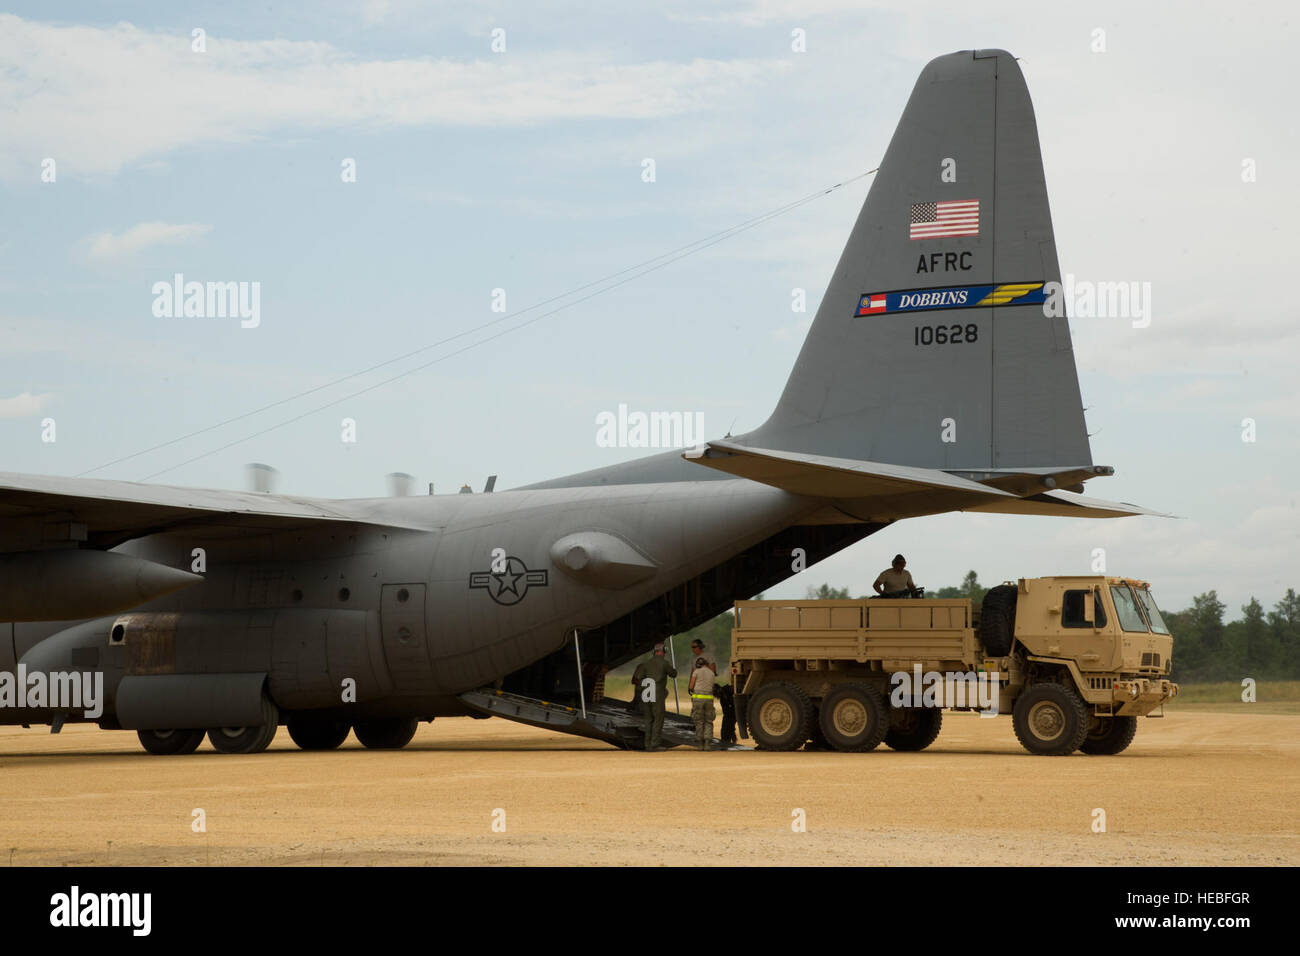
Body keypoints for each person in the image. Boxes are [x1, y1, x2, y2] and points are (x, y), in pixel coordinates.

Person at [632, 643, 676, 750]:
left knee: (648, 719)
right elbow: (674, 674)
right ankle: (654, 743)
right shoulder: (664, 663)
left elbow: (637, 678)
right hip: (657, 694)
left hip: (646, 694)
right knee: (658, 718)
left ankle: (647, 744)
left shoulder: (646, 664)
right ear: (663, 651)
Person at [688, 657, 717, 751]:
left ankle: (700, 744)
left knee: (699, 721)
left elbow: (691, 686)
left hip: (698, 699)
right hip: (709, 699)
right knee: (708, 720)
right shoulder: (712, 673)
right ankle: (707, 743)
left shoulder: (696, 672)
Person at [713, 680, 736, 744]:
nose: (716, 696)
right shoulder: (722, 697)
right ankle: (726, 740)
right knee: (727, 727)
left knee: (729, 726)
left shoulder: (728, 690)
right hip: (729, 713)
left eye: (715, 694)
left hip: (732, 712)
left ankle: (727, 740)